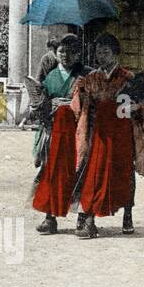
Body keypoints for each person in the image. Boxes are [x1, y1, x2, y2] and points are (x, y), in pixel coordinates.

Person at [70, 33, 144, 238]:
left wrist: (133, 106)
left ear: (116, 54)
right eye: (98, 52)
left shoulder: (128, 78)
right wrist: (80, 93)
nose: (101, 56)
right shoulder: (90, 78)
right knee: (93, 173)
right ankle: (88, 217)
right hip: (98, 133)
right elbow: (80, 108)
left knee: (124, 173)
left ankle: (128, 214)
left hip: (122, 133)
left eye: (106, 52)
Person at [31, 35, 89, 234]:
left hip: (78, 130)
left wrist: (76, 101)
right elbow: (40, 106)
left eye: (71, 52)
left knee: (81, 172)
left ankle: (83, 219)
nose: (65, 55)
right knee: (52, 172)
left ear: (78, 54)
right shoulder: (51, 75)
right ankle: (50, 217)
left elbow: (93, 102)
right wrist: (50, 104)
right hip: (56, 131)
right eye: (61, 51)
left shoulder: (85, 75)